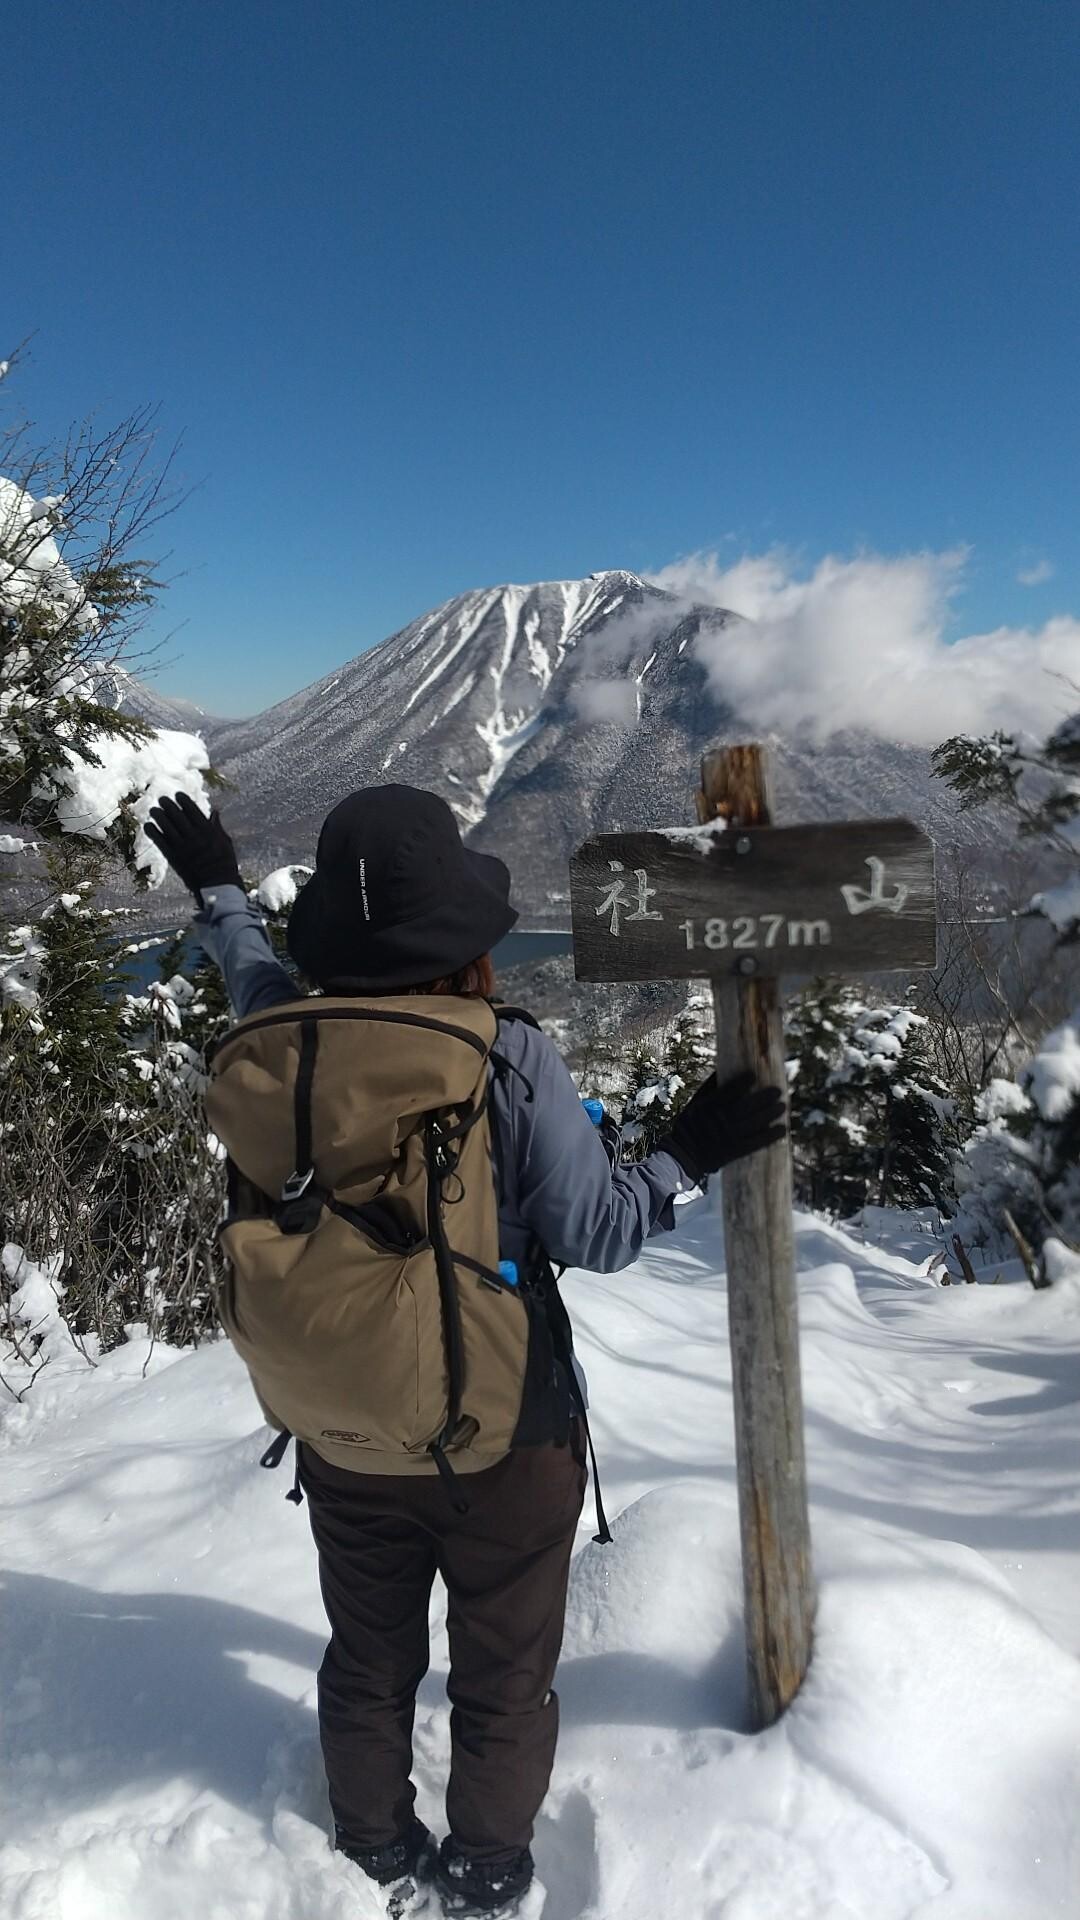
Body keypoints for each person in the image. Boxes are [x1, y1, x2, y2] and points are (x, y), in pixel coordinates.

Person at [146, 785, 786, 1919]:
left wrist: (221, 890)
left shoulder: (283, 1045)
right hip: (505, 1434)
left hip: (342, 1425)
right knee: (502, 1674)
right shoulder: (509, 1056)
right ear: (460, 932)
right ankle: (487, 1867)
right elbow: (597, 1231)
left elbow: (252, 976)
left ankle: (371, 1848)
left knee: (368, 1657)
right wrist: (688, 1152)